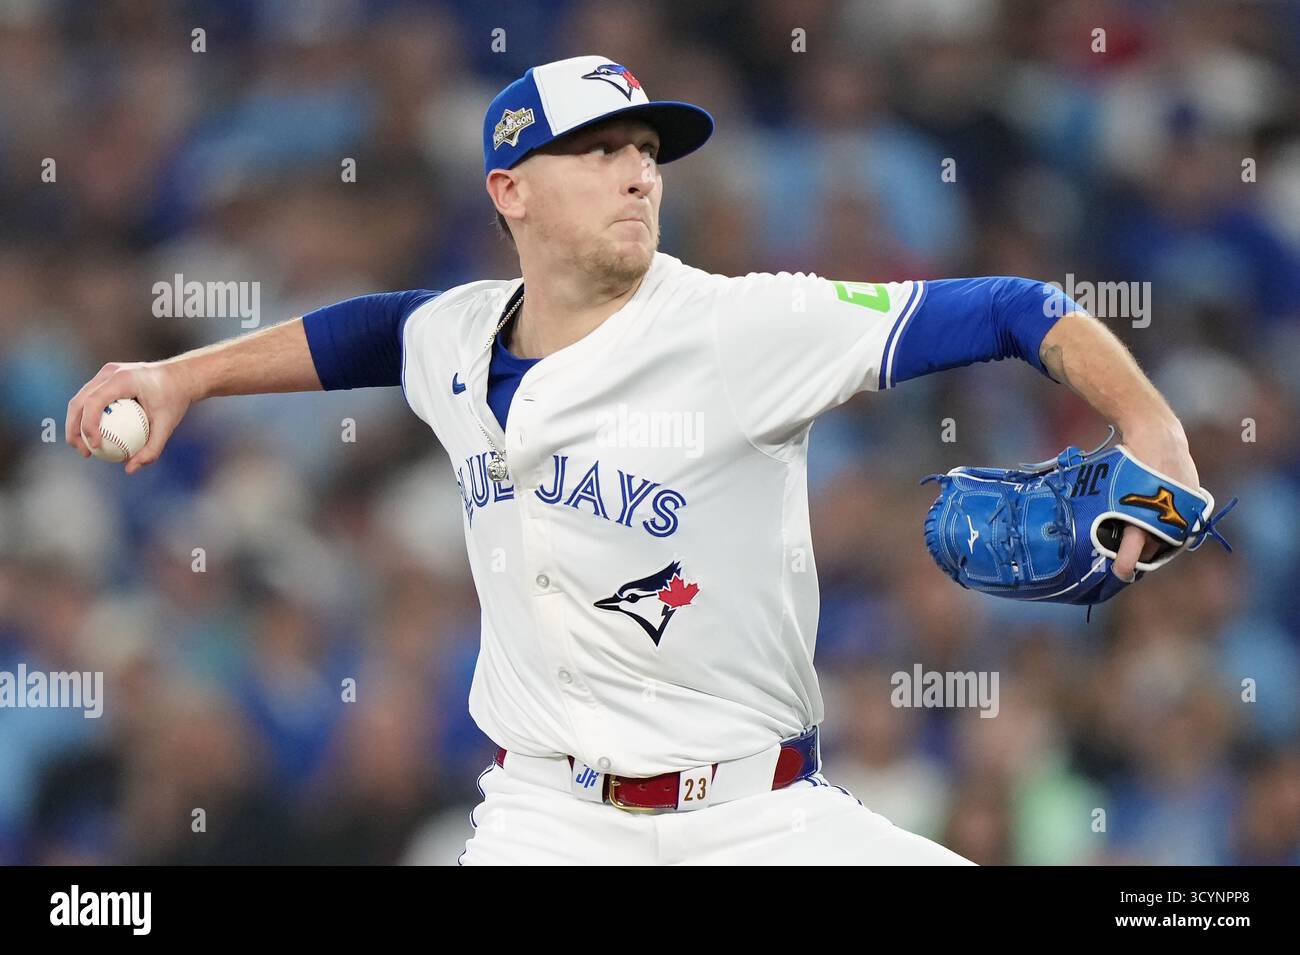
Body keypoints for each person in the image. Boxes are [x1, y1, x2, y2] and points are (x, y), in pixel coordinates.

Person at [67, 55, 1199, 865]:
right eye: (599, 150)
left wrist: (1152, 426)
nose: (638, 173)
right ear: (509, 191)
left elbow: (1008, 306)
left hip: (761, 817)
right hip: (545, 819)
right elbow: (363, 333)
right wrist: (183, 377)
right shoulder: (458, 336)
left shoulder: (743, 326)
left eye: (646, 152)